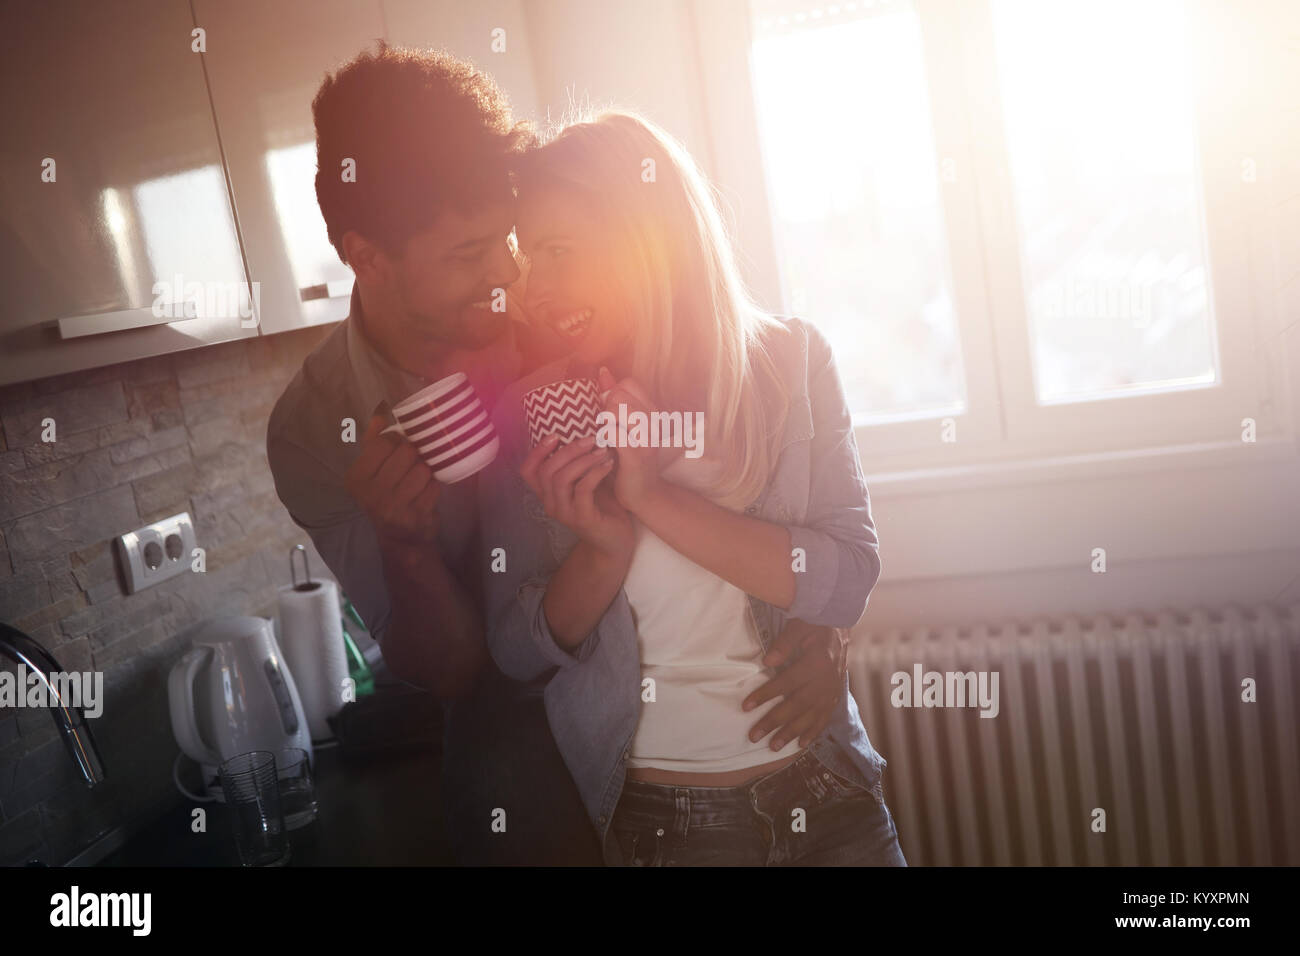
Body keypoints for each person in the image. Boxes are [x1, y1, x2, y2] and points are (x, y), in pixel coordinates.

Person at [267, 45, 854, 865]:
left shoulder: (561, 310)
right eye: (470, 255)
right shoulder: (312, 431)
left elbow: (777, 504)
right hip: (518, 750)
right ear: (368, 258)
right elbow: (455, 669)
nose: (511, 276)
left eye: (510, 241)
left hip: (716, 742)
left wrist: (820, 618)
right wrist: (404, 546)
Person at [480, 110, 906, 866]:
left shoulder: (791, 365)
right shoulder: (534, 415)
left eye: (556, 253)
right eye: (525, 257)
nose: (532, 290)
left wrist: (653, 499)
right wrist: (602, 549)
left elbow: (845, 582)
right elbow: (515, 651)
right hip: (670, 832)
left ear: (649, 243)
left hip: (832, 797)